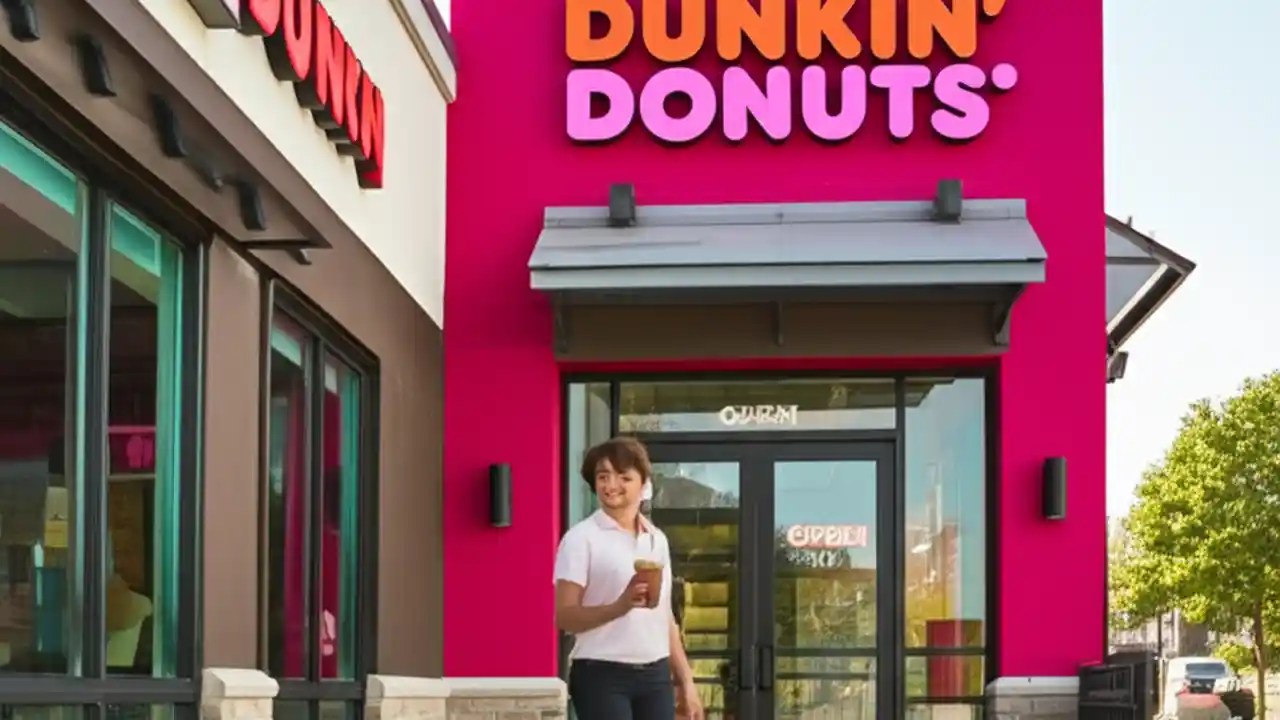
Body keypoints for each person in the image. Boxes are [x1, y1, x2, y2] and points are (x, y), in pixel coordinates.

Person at [554, 436, 706, 720]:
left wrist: (686, 682)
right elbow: (564, 617)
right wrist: (619, 606)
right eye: (603, 476)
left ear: (643, 484)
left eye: (624, 477)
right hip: (601, 674)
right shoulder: (581, 539)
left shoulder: (656, 540)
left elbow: (665, 618)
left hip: (655, 675)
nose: (611, 486)